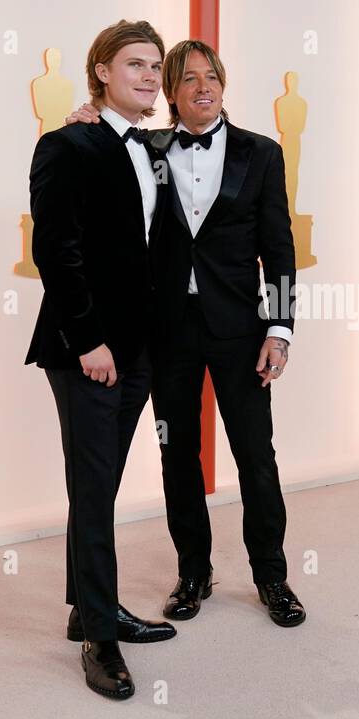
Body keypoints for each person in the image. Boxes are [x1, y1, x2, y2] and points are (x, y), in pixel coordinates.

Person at [68, 40, 305, 626]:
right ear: (170, 93)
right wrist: (83, 116)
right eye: (190, 78)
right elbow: (102, 148)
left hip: (240, 333)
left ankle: (272, 577)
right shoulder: (149, 148)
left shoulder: (263, 153)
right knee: (179, 456)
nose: (205, 87)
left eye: (213, 76)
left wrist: (279, 327)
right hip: (165, 333)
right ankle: (192, 572)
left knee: (257, 455)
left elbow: (278, 249)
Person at [26, 19, 176, 701]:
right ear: (103, 73)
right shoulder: (67, 144)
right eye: (136, 65)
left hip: (140, 347)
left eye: (156, 67)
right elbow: (57, 252)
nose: (150, 76)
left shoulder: (158, 149)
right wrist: (90, 342)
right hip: (87, 348)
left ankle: (86, 607)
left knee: (102, 484)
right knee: (92, 486)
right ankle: (99, 639)